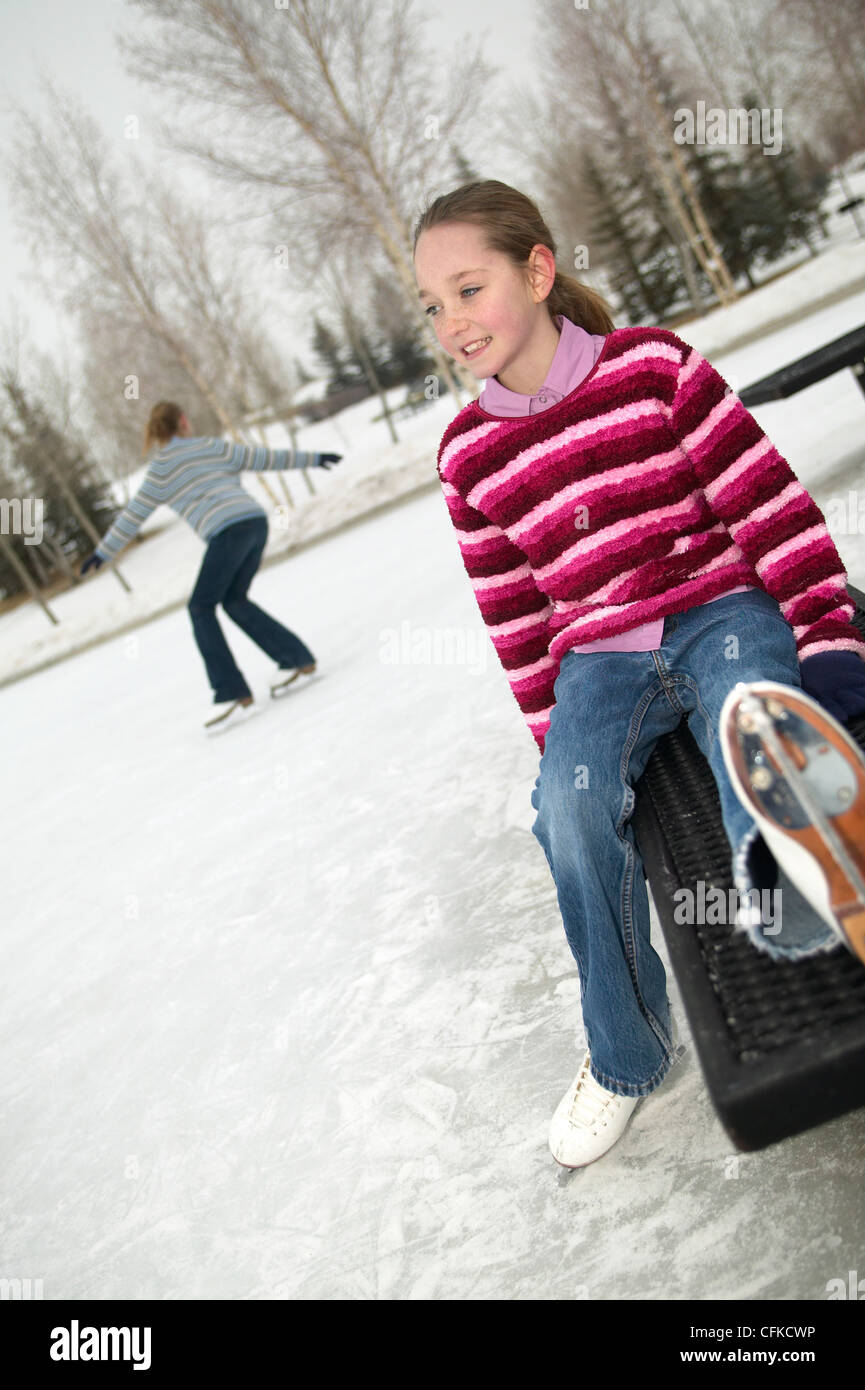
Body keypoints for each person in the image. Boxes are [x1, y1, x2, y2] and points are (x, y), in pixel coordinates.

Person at [413, 179, 865, 1168]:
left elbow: (768, 507)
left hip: (715, 609)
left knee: (749, 703)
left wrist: (826, 637)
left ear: (537, 270)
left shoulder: (653, 367)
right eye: (431, 304)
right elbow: (516, 616)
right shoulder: (467, 458)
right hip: (599, 665)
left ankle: (795, 875)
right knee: (568, 816)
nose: (451, 321)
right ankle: (626, 1053)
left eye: (467, 287)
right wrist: (559, 748)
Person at [81, 401, 342, 727]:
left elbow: (133, 515)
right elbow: (264, 458)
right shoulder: (212, 447)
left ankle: (230, 690)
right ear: (183, 421)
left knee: (200, 608)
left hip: (227, 533)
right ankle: (295, 659)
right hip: (254, 523)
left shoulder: (161, 469)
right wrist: (314, 459)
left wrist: (103, 553)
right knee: (233, 600)